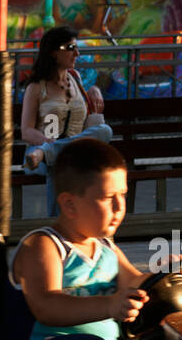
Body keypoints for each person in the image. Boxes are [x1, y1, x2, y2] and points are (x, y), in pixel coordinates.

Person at [1, 138, 148, 340]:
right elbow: (47, 306)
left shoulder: (106, 247)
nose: (120, 206)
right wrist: (109, 305)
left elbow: (136, 282)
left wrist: (170, 277)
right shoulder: (43, 245)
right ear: (69, 204)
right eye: (108, 197)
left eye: (123, 194)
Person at [20, 25, 114, 216]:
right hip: (39, 151)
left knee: (105, 131)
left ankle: (48, 153)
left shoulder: (75, 78)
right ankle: (58, 224)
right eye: (71, 48)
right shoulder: (36, 87)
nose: (77, 53)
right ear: (54, 53)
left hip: (67, 152)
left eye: (76, 48)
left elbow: (87, 116)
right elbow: (26, 131)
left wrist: (94, 89)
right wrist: (48, 142)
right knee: (58, 163)